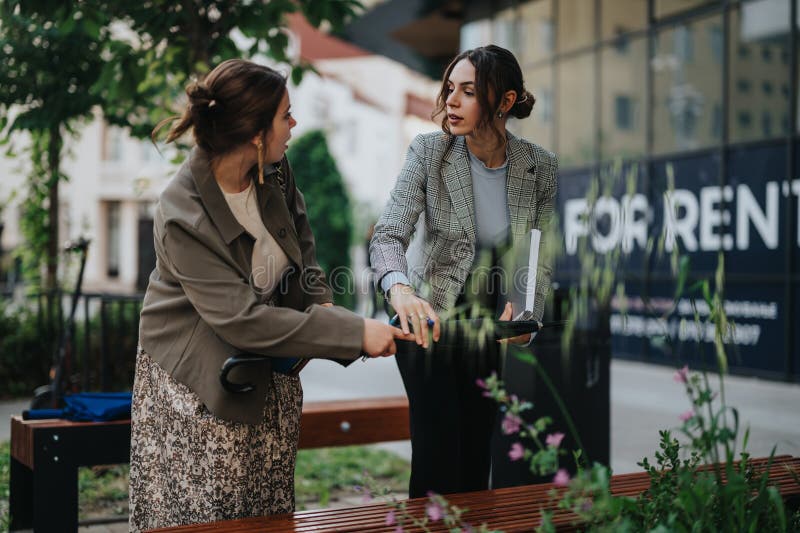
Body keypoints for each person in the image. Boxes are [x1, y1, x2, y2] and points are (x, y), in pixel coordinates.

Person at [129, 59, 410, 531]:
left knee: (267, 514)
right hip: (195, 390)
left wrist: (321, 305)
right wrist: (352, 331)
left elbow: (302, 246)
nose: (295, 124)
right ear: (257, 132)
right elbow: (243, 320)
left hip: (268, 371)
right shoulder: (183, 213)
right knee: (210, 519)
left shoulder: (273, 169)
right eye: (286, 115)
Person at [369, 45, 558, 497]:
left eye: (468, 91)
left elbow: (539, 253)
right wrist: (398, 290)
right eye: (450, 88)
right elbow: (389, 235)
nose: (451, 101)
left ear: (505, 101)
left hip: (488, 329)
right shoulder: (429, 153)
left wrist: (529, 311)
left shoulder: (540, 167)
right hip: (425, 324)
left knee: (475, 461)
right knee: (437, 459)